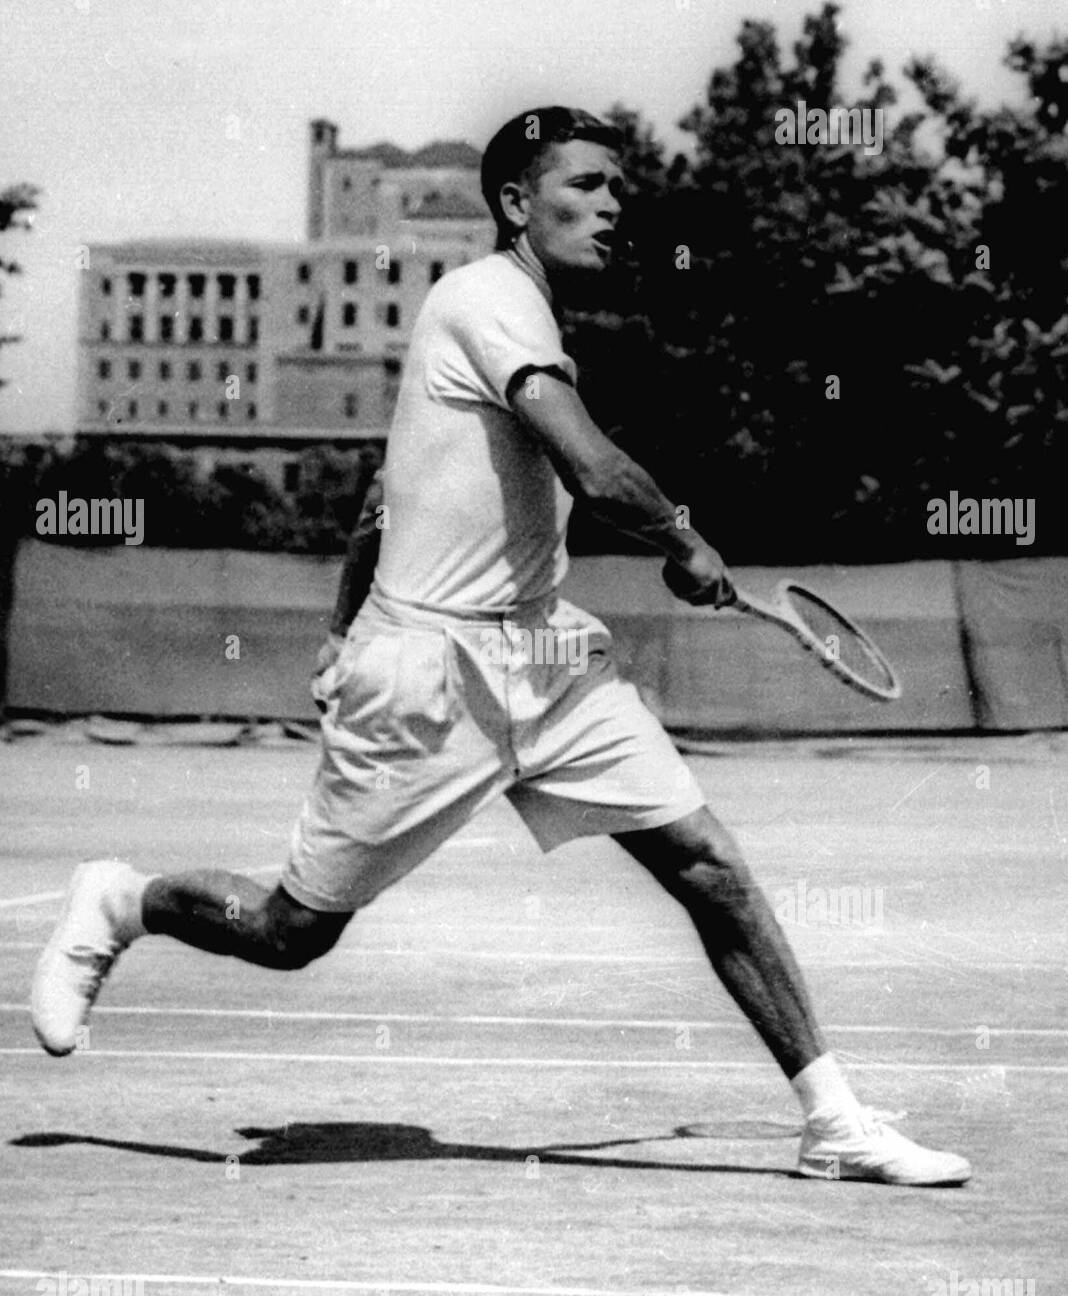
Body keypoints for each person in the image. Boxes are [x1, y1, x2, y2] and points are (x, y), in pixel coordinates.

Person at [31, 107, 970, 1186]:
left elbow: (385, 509)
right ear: (518, 204)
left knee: (708, 864)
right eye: (588, 185)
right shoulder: (488, 299)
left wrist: (338, 623)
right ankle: (120, 900)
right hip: (430, 680)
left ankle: (835, 1121)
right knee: (291, 931)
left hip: (551, 662)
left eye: (622, 189)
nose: (615, 207)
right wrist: (683, 539)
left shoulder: (514, 321)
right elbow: (593, 466)